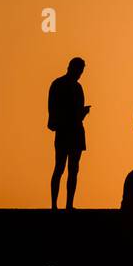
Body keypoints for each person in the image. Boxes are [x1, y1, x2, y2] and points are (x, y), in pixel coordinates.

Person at [48, 57, 90, 210]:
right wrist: (79, 114)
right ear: (72, 68)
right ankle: (57, 205)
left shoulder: (71, 86)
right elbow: (53, 111)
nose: (80, 74)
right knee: (61, 167)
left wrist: (81, 113)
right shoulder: (61, 85)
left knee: (72, 168)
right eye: (79, 71)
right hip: (67, 130)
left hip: (73, 130)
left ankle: (67, 205)